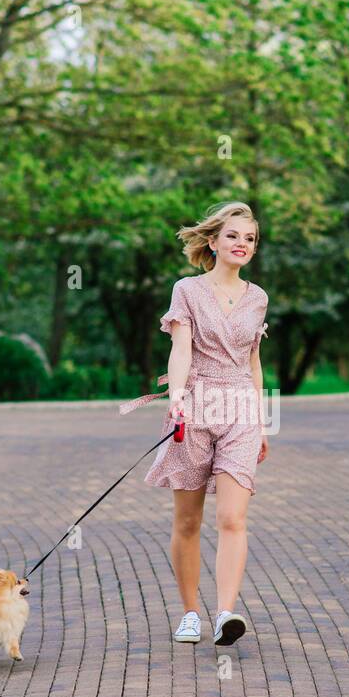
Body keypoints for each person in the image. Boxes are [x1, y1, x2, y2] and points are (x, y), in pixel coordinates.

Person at [118, 201, 270, 645]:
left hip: (240, 409)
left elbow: (254, 361)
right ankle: (190, 613)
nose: (242, 244)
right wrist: (179, 396)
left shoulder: (258, 298)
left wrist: (261, 423)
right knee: (187, 521)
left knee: (232, 517)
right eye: (234, 236)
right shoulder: (187, 289)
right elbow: (181, 350)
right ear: (213, 241)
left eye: (250, 239)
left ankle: (225, 614)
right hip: (197, 406)